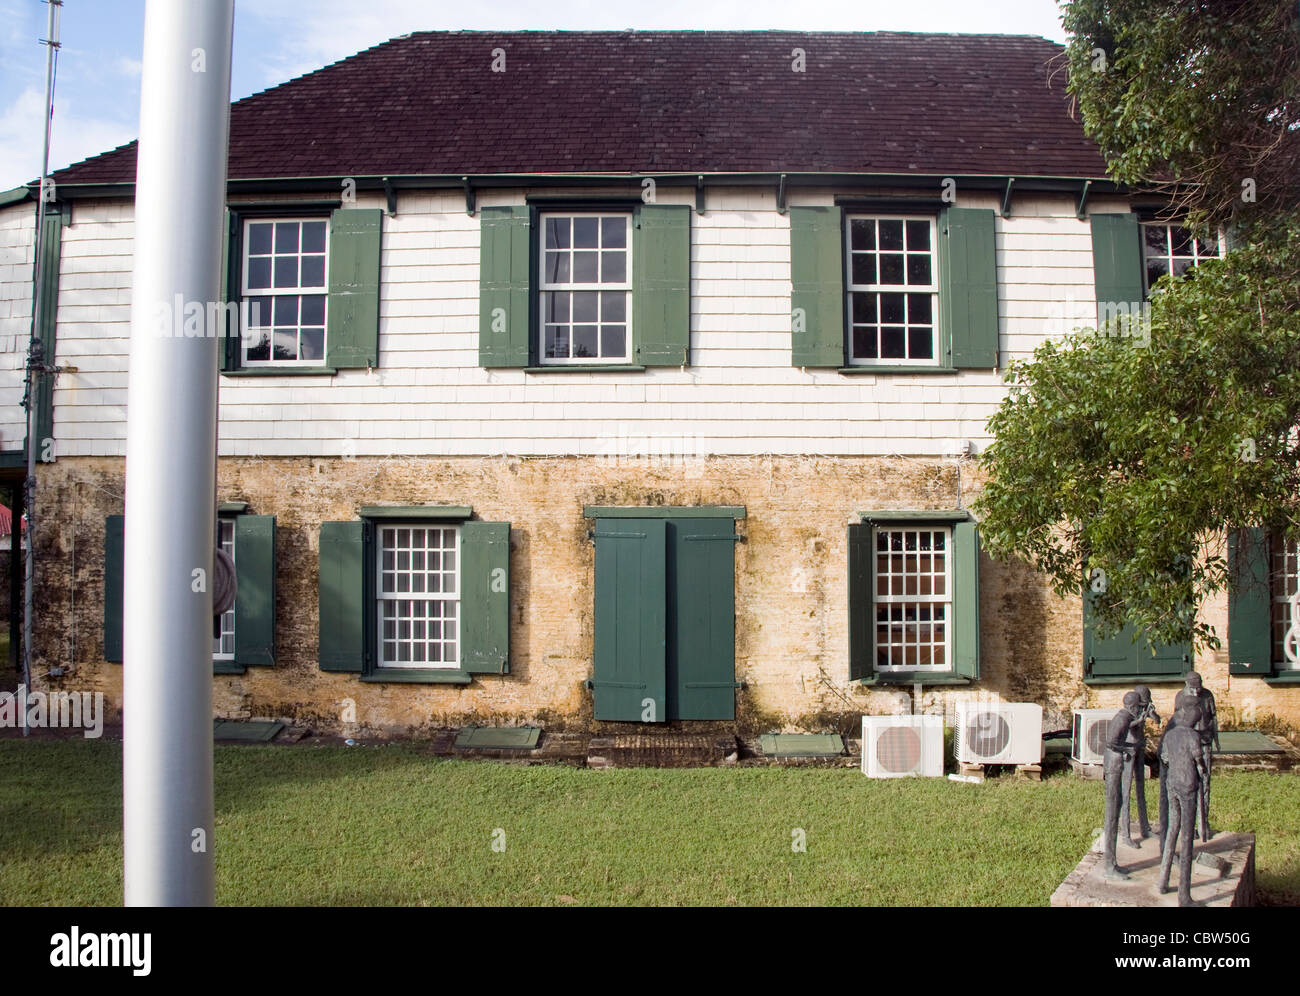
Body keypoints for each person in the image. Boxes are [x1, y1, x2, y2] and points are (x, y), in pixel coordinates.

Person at [1158, 702, 1205, 906]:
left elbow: (1165, 758)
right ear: (1196, 721)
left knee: (1172, 829)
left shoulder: (1170, 735)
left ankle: (1162, 881)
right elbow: (1199, 761)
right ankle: (1183, 895)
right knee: (1186, 838)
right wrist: (1201, 770)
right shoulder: (1193, 736)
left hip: (1172, 783)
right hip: (1187, 786)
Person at [1102, 691, 1147, 880]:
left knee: (1117, 805)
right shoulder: (1122, 718)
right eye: (1139, 707)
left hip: (1116, 762)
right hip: (1113, 763)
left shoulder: (1126, 717)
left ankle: (1112, 863)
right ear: (1132, 706)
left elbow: (1127, 728)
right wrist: (1128, 748)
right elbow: (1111, 742)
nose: (1139, 710)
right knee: (1112, 813)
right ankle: (1109, 866)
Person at [1174, 671, 1219, 840]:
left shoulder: (1208, 695)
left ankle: (1203, 823)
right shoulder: (1180, 697)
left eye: (1199, 687)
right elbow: (1176, 721)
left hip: (1205, 741)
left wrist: (1216, 738)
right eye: (1193, 688)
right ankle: (1188, 825)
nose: (1197, 691)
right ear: (1187, 684)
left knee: (1205, 783)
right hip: (1187, 744)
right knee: (1188, 784)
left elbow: (1213, 717)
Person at [1120, 684, 1159, 845]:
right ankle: (1126, 834)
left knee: (1141, 789)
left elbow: (1157, 720)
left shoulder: (1144, 708)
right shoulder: (1129, 711)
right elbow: (1126, 726)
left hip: (1139, 749)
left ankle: (1145, 828)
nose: (1142, 707)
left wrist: (1152, 713)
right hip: (1128, 751)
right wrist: (1139, 720)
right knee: (1126, 792)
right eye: (1141, 704)